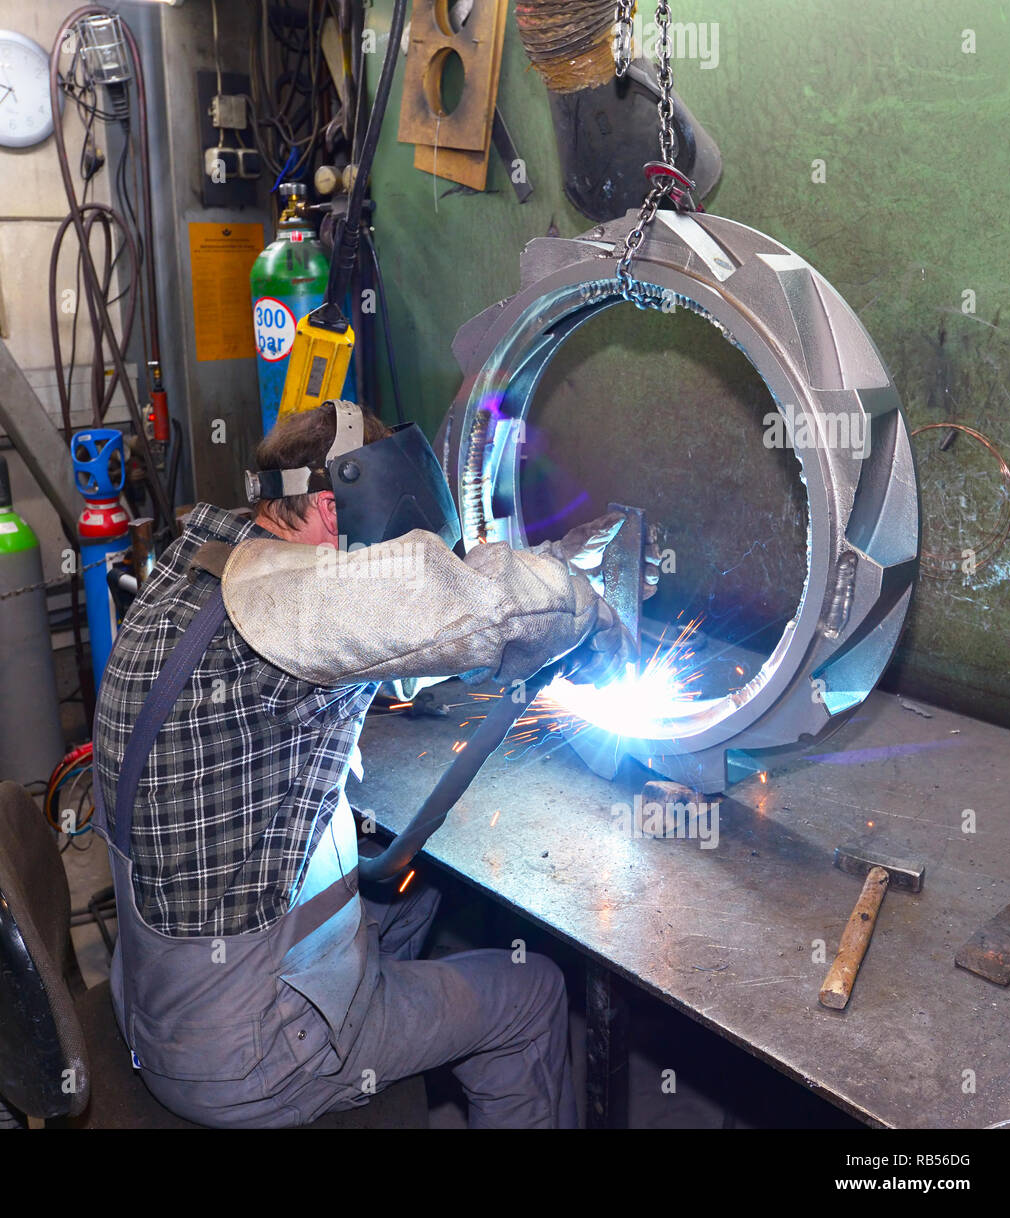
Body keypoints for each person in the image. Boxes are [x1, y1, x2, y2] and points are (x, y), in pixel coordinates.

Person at [91, 399, 657, 1128]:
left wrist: (550, 565)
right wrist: (588, 620)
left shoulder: (202, 564)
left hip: (157, 998)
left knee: (415, 889)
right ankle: (360, 1041)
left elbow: (384, 639)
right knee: (531, 994)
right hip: (245, 1054)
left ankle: (384, 1004)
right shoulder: (292, 607)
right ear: (332, 508)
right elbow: (483, 610)